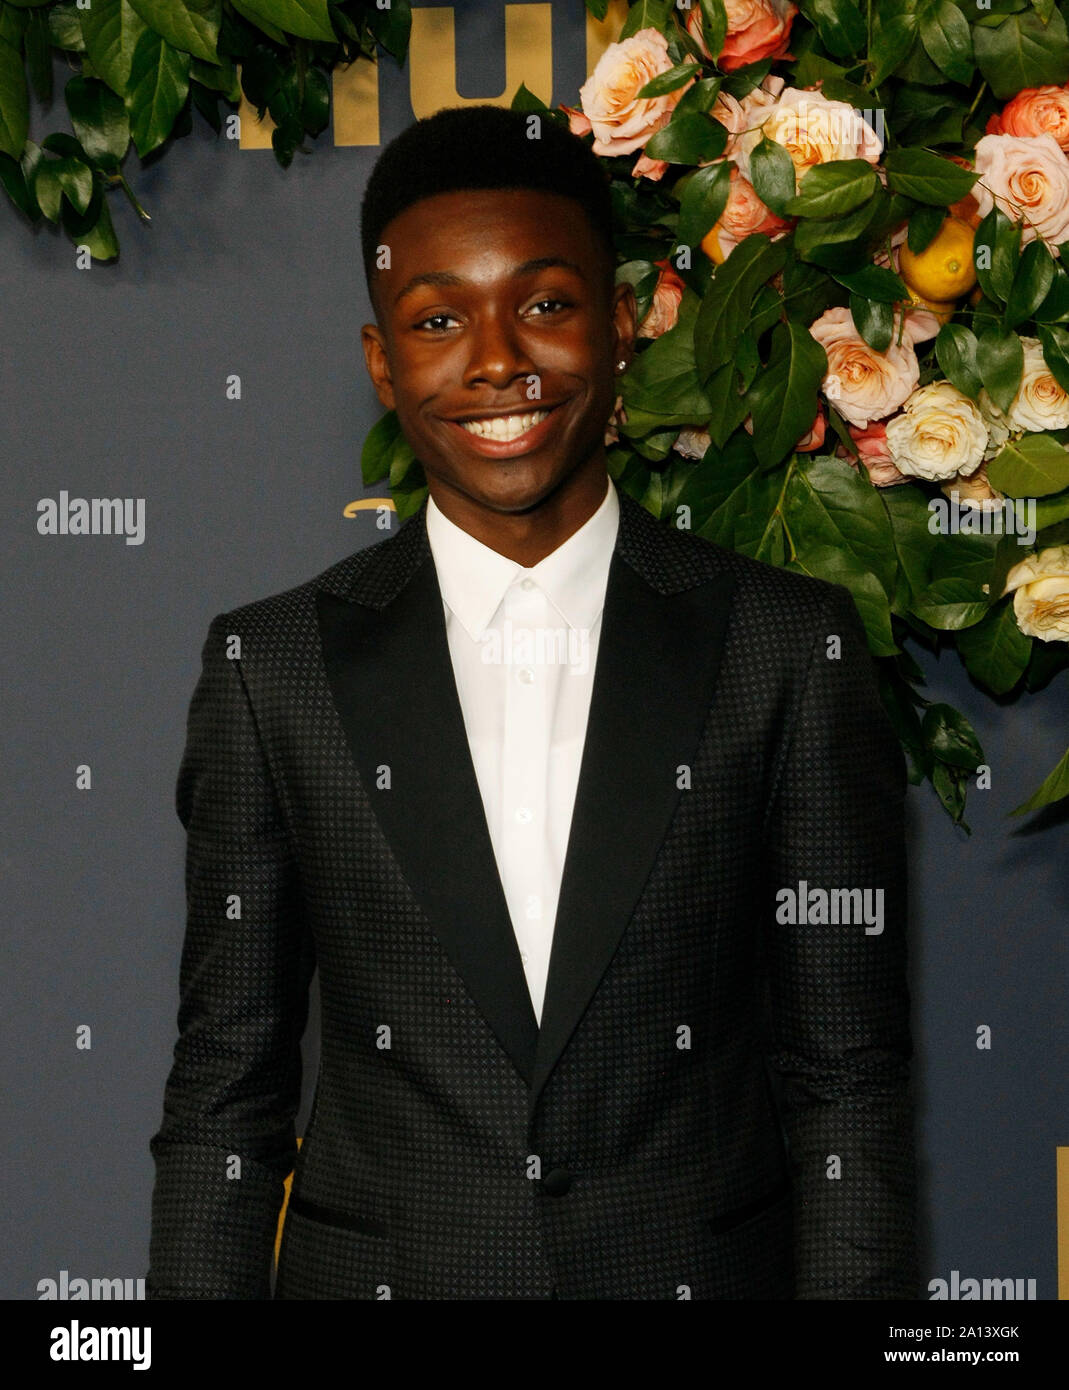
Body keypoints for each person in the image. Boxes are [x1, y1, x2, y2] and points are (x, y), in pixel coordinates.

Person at [147, 104, 917, 1300]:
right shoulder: (274, 669)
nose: (497, 359)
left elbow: (846, 1086)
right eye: (439, 319)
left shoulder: (782, 649)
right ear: (382, 362)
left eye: (546, 304)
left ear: (618, 326)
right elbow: (223, 1099)